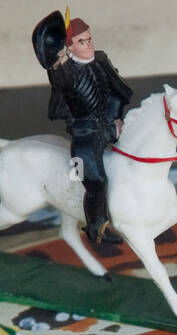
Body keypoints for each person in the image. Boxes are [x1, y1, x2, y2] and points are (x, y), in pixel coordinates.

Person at [32, 11, 134, 244]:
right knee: (96, 181)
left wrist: (116, 119)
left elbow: (118, 92)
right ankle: (96, 226)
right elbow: (60, 76)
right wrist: (57, 55)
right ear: (68, 47)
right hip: (85, 134)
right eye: (80, 42)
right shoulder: (62, 72)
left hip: (110, 125)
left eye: (89, 40)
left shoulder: (100, 60)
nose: (88, 45)